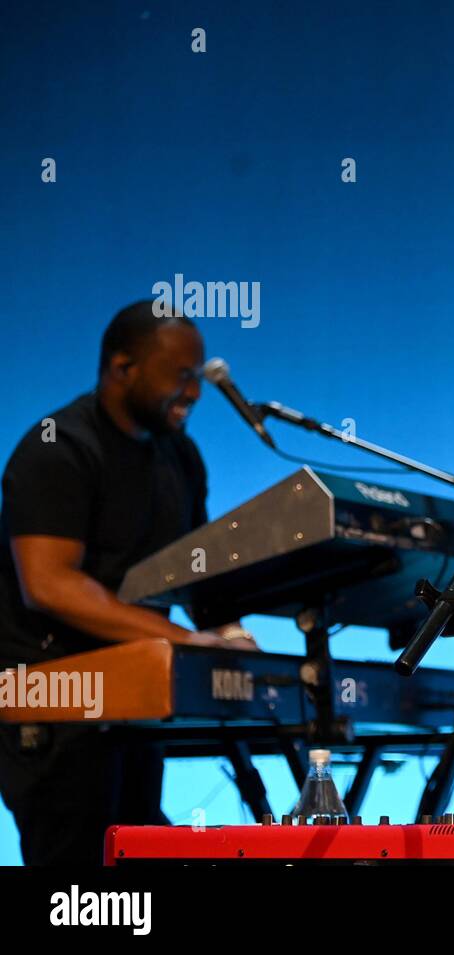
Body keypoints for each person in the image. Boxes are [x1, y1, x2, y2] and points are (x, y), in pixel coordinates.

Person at [0, 301, 258, 864]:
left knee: (140, 860)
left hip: (140, 694)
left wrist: (232, 635)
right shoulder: (56, 447)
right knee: (79, 881)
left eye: (198, 376)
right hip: (54, 705)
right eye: (181, 376)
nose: (194, 392)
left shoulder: (180, 455)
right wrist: (185, 642)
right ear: (123, 368)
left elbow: (199, 571)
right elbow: (47, 584)